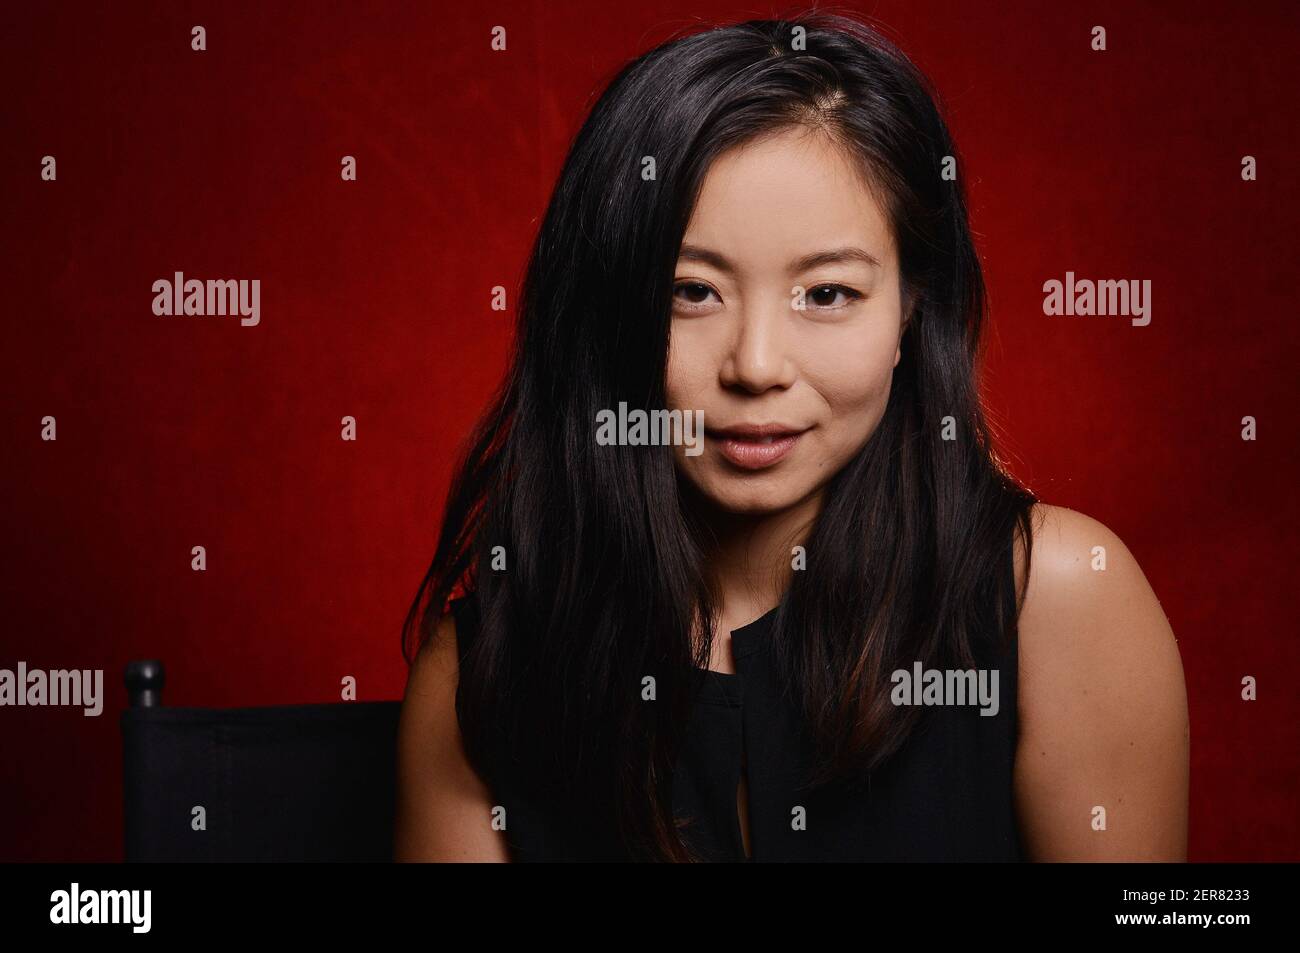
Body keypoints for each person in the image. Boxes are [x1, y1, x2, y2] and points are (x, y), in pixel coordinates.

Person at [393, 12, 1189, 862]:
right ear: (605, 312)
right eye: (691, 292)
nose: (757, 366)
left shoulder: (1055, 600)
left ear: (912, 307)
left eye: (828, 293)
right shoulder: (489, 664)